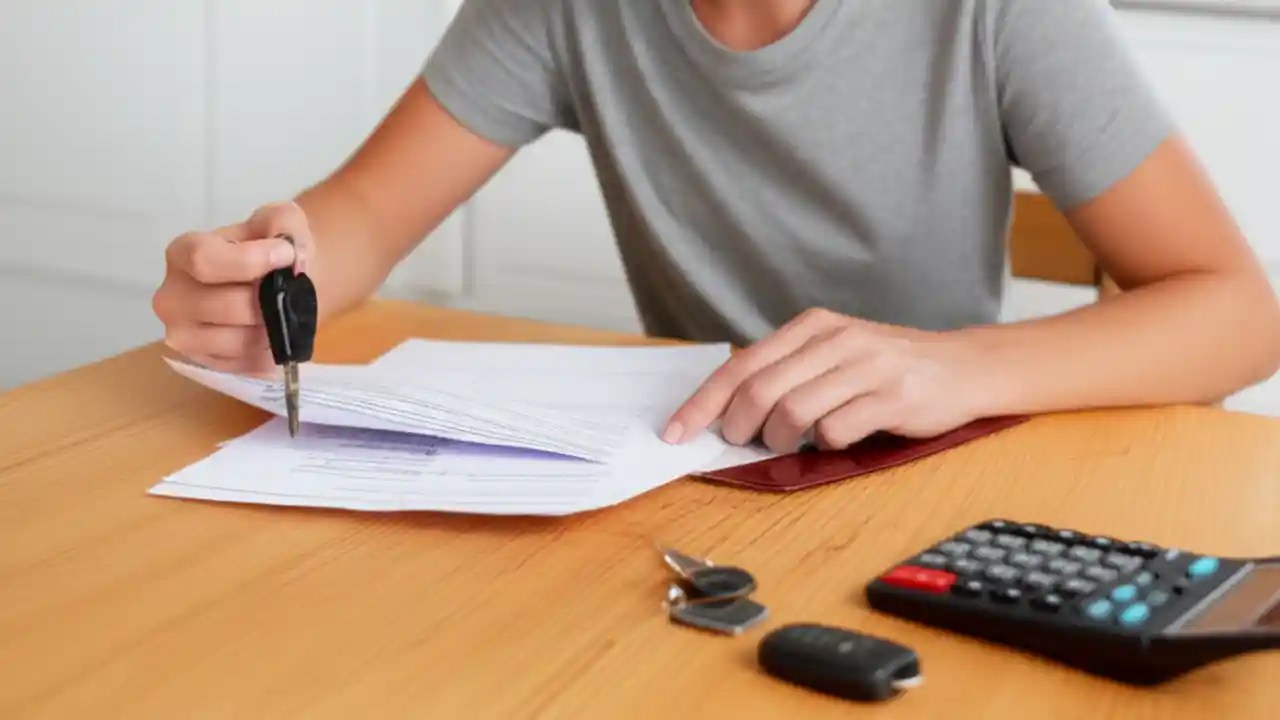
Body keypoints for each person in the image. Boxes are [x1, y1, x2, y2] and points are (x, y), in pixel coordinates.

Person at [152, 0, 1280, 454]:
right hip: (695, 483)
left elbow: (1235, 311)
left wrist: (951, 368)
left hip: (932, 477)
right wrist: (277, 267)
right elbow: (362, 216)